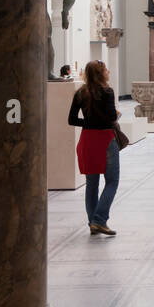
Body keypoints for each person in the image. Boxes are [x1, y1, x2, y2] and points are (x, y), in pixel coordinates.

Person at [68, 60, 120, 237]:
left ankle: (93, 223)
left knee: (92, 184)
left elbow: (72, 120)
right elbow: (111, 117)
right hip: (105, 139)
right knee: (112, 181)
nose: (108, 71)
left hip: (88, 139)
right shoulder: (107, 91)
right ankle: (99, 220)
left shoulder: (80, 93)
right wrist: (116, 114)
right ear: (100, 73)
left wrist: (88, 122)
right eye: (106, 69)